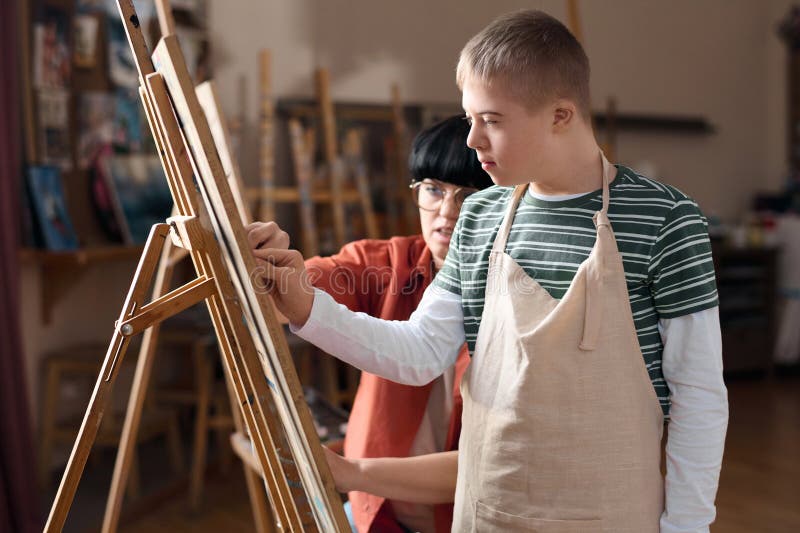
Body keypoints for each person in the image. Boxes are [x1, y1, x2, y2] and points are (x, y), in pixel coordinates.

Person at [252, 10, 728, 532]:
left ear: (561, 115)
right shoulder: (483, 216)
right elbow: (418, 353)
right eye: (470, 117)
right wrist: (304, 306)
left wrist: (686, 525)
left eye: (492, 121)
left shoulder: (664, 220)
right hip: (488, 513)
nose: (473, 139)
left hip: (611, 515)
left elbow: (698, 395)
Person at [248, 115, 492, 533]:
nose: (447, 212)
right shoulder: (384, 264)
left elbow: (486, 467)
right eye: (433, 189)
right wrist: (264, 265)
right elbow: (283, 299)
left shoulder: (516, 299)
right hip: (374, 514)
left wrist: (351, 471)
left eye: (469, 195)